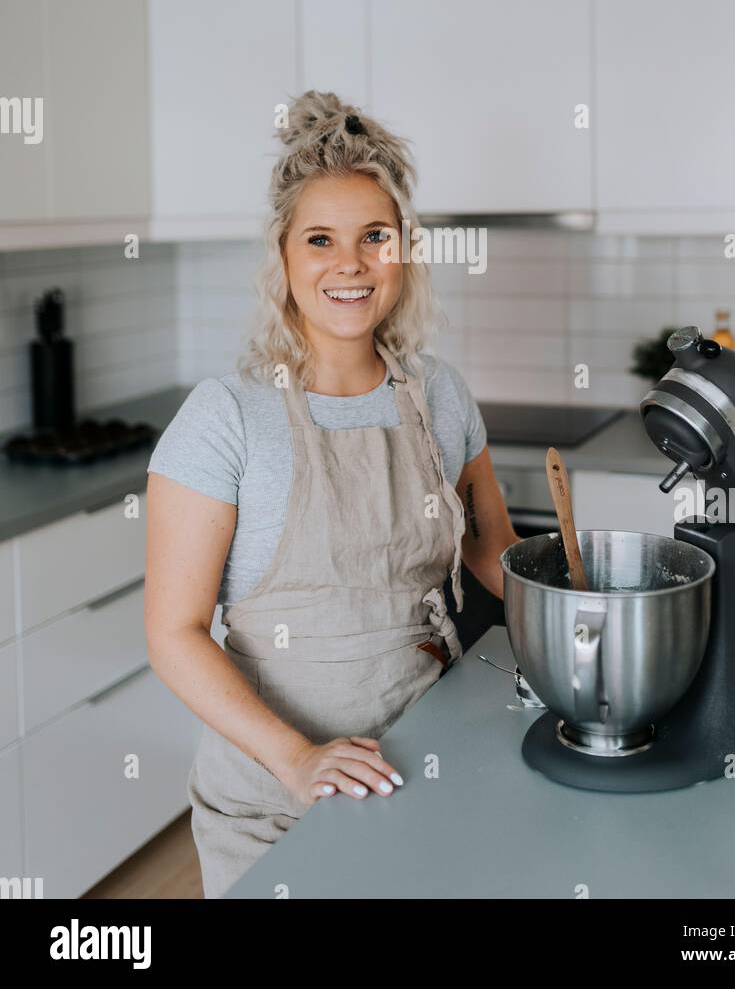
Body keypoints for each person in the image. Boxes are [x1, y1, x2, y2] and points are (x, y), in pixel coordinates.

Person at [144, 90, 519, 897]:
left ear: (403, 253)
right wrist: (298, 758)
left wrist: (586, 626)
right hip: (274, 800)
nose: (350, 264)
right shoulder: (227, 417)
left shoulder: (440, 395)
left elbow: (492, 548)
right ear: (283, 258)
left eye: (374, 238)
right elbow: (173, 632)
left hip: (422, 757)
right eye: (321, 240)